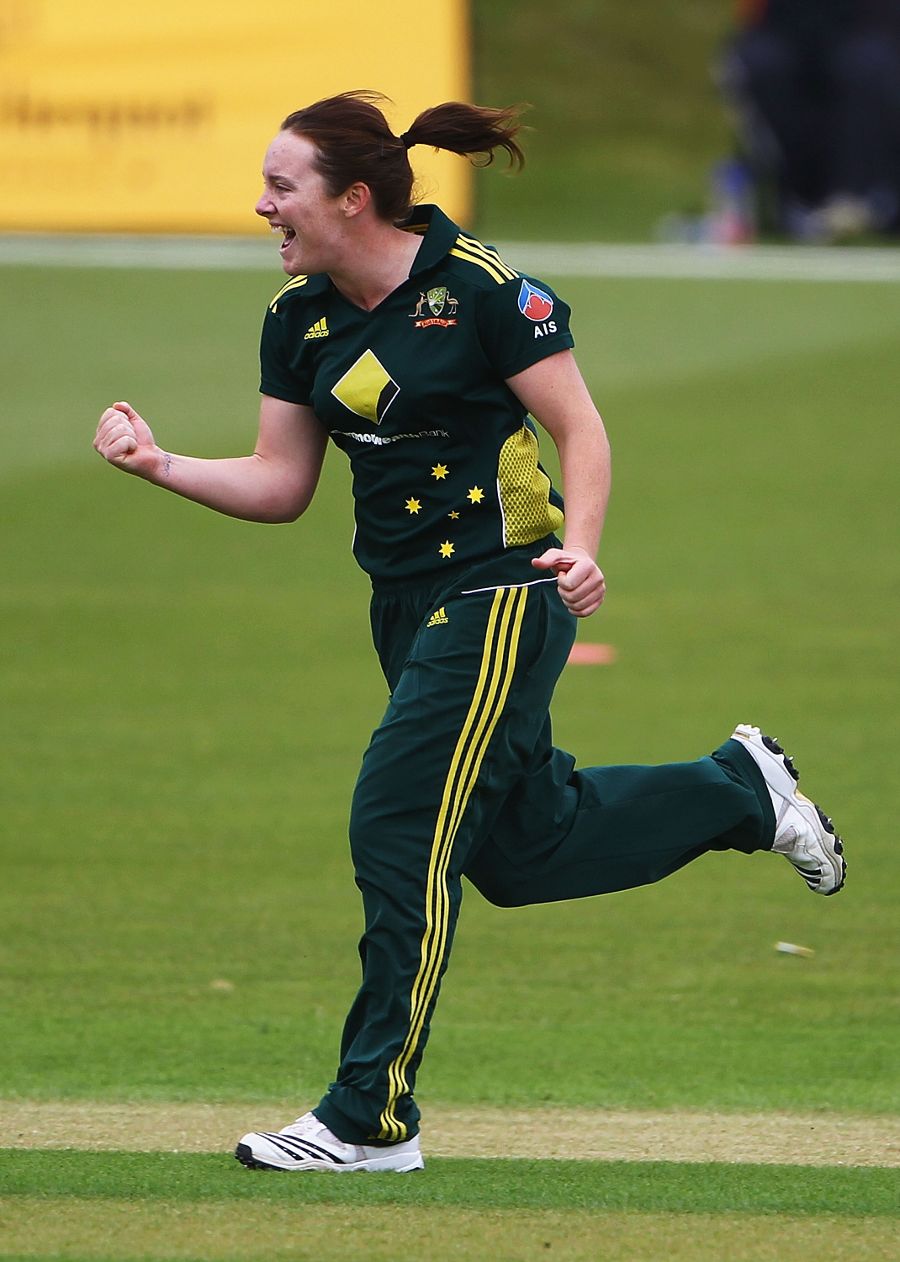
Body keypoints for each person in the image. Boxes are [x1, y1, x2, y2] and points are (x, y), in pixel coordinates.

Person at [93, 91, 846, 1175]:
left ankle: (368, 1116)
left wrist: (581, 546)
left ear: (353, 198)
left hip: (503, 591)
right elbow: (279, 482)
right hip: (403, 609)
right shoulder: (296, 318)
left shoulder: (481, 290)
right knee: (520, 848)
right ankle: (740, 787)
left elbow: (578, 426)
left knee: (397, 822)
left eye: (281, 187)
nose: (262, 206)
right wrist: (163, 465)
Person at [719, 0, 900, 238]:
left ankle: (863, 198)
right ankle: (792, 199)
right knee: (762, 62)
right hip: (785, 26)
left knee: (870, 64)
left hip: (862, 24)